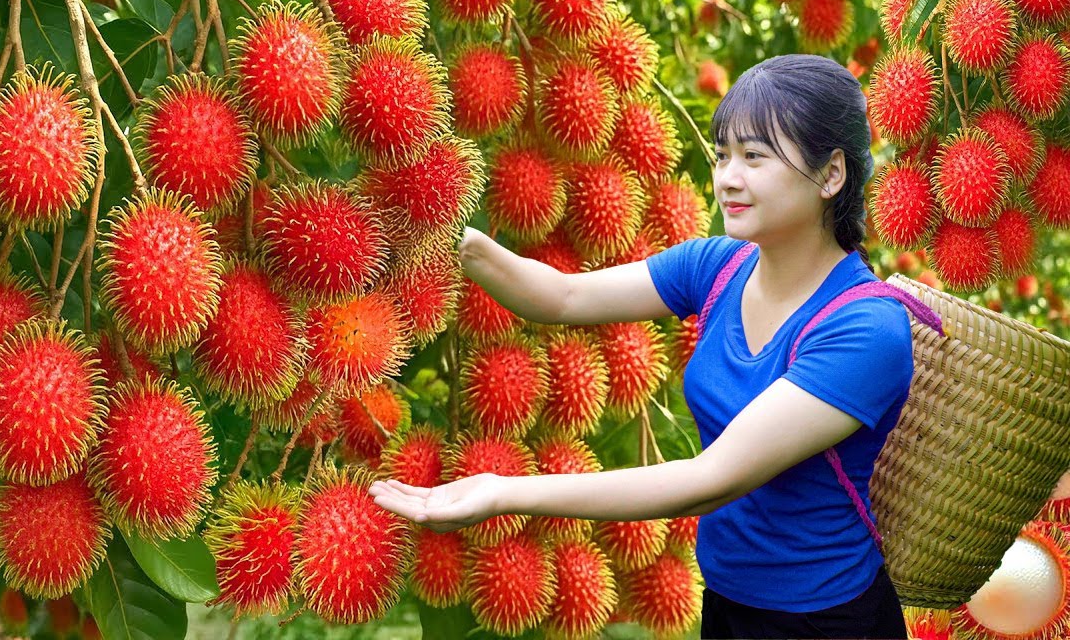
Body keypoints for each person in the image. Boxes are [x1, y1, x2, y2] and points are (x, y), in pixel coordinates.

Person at [368, 54, 914, 639]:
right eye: (722, 155)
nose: (728, 177)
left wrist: (503, 491)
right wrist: (448, 227)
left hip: (826, 622)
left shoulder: (867, 329)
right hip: (729, 604)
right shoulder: (717, 267)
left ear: (830, 175)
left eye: (754, 157)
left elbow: (711, 479)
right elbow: (560, 298)